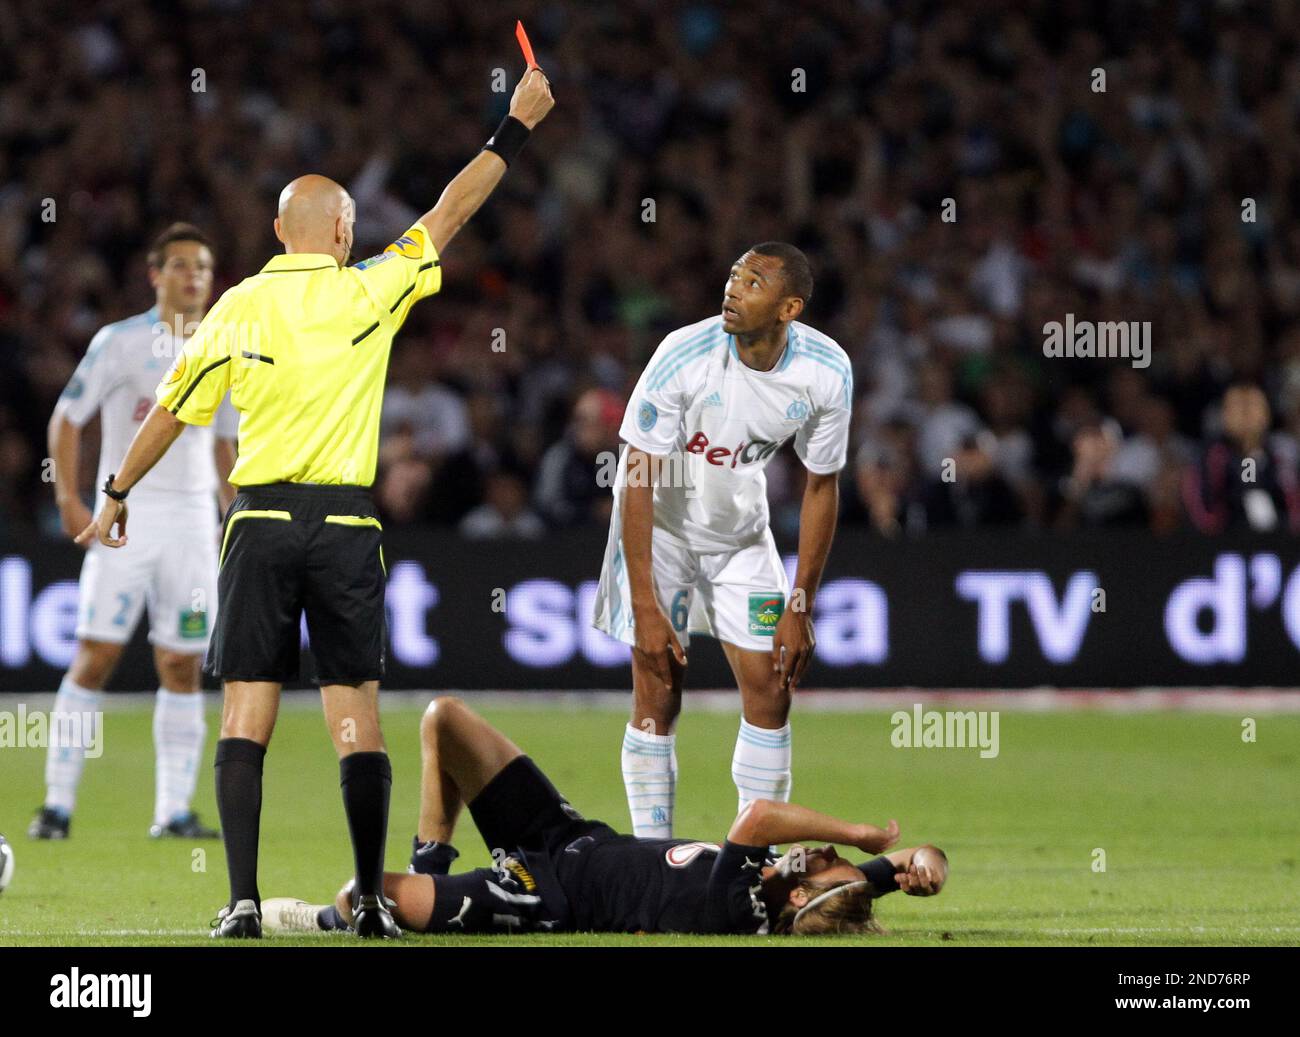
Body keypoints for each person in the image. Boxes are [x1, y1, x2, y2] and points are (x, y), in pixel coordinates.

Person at [79, 66, 555, 939]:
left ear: (274, 232)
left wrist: (114, 495)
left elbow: (169, 413)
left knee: (246, 714)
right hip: (343, 523)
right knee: (354, 716)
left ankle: (243, 903)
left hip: (256, 522)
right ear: (342, 229)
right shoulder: (369, 286)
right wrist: (512, 125)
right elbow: (452, 208)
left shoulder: (236, 305)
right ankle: (373, 901)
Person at [261, 697, 947, 937]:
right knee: (444, 718)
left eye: (823, 858)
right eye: (834, 852)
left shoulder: (739, 906)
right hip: (567, 835)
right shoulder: (799, 890)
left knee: (358, 896)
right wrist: (922, 866)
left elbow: (760, 813)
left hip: (542, 894)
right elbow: (910, 860)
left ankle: (322, 919)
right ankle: (425, 871)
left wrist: (853, 831)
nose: (825, 850)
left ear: (798, 892)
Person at [591, 244, 852, 838]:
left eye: (753, 280)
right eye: (733, 273)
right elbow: (636, 476)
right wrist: (645, 602)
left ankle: (751, 860)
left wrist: (801, 601)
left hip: (740, 537)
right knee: (657, 696)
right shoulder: (684, 354)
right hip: (660, 535)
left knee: (771, 692)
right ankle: (653, 862)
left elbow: (821, 485)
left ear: (789, 307)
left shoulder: (826, 372)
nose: (733, 287)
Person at [30, 223, 236, 842]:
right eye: (178, 265)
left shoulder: (221, 344)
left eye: (201, 265)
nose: (192, 275)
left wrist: (236, 511)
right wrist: (69, 497)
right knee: (95, 657)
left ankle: (172, 811)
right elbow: (67, 417)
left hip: (194, 523)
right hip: (125, 517)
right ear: (154, 275)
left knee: (182, 664)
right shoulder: (119, 343)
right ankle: (56, 806)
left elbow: (224, 441)